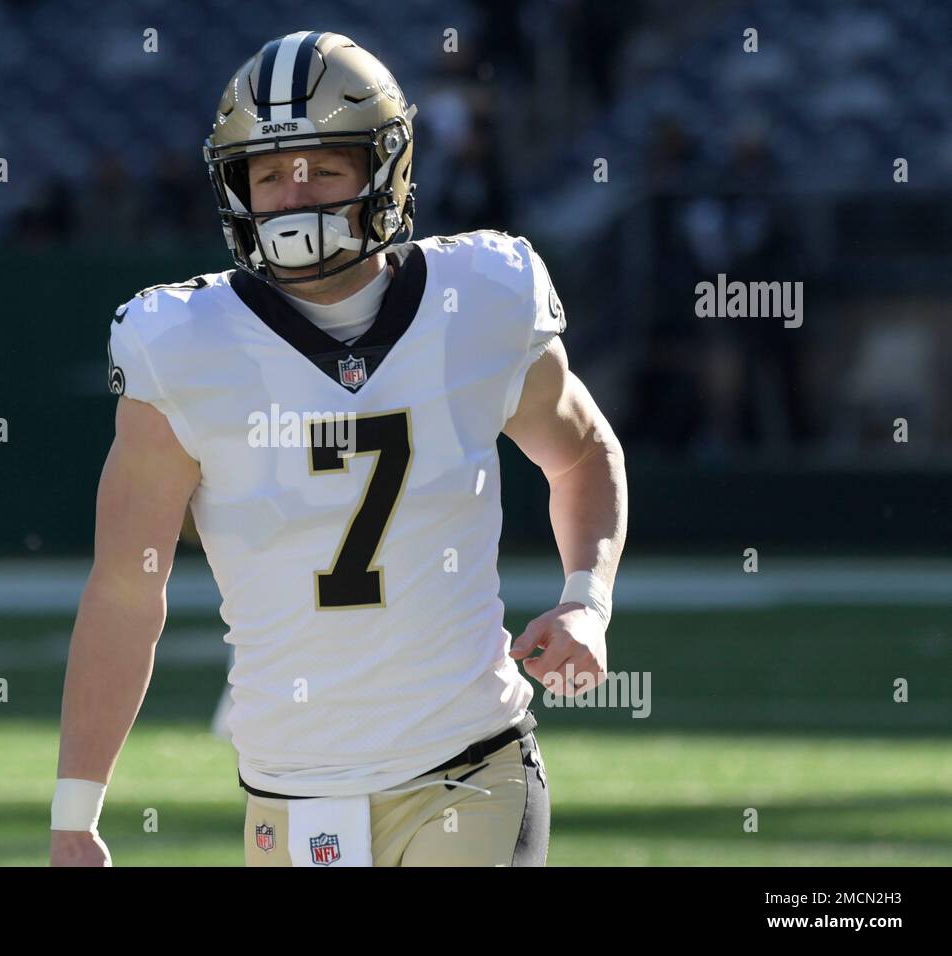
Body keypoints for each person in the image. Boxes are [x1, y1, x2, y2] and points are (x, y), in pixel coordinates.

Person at [51, 31, 626, 867]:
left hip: (468, 767)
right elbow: (124, 593)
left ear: (381, 170)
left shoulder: (483, 300)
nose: (294, 193)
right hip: (290, 794)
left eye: (323, 166)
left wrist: (586, 598)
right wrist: (76, 809)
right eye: (269, 171)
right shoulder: (181, 346)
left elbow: (581, 453)